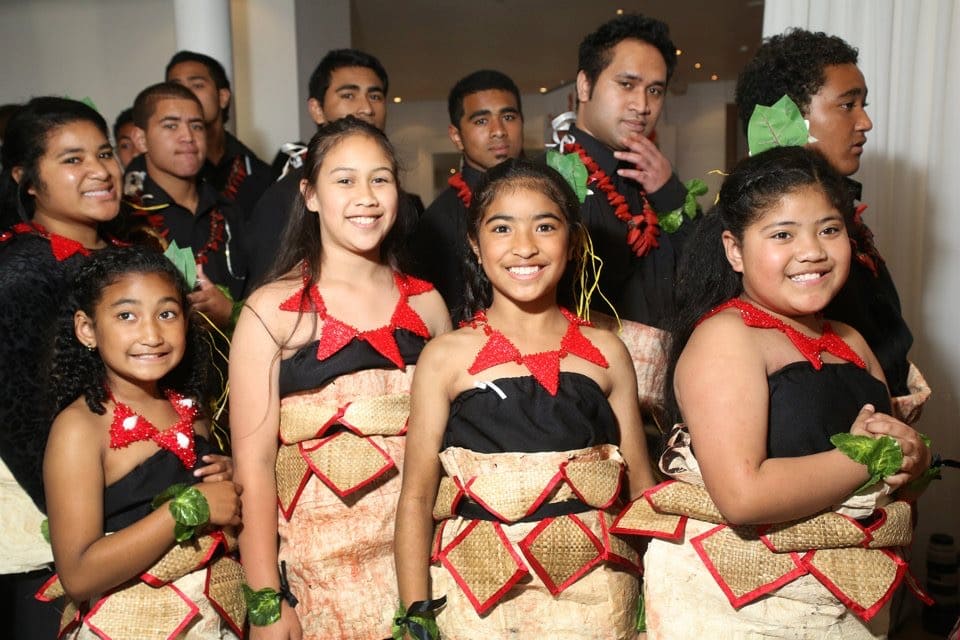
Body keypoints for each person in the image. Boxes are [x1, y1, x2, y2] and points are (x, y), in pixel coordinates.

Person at [624, 147, 932, 638]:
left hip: (850, 597)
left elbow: (891, 478)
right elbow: (742, 496)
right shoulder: (727, 337)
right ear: (734, 250)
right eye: (783, 234)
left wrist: (912, 461)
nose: (812, 251)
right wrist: (867, 457)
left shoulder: (851, 340)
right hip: (750, 606)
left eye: (829, 230)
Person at [395, 159, 655, 639]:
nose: (524, 246)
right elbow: (416, 497)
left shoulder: (607, 351)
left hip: (598, 602)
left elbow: (639, 488)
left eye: (545, 226)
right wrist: (415, 615)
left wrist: (653, 604)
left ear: (572, 242)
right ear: (475, 244)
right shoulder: (445, 357)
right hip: (479, 606)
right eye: (502, 228)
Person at [230, 116, 450, 639]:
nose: (366, 197)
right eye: (345, 180)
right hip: (319, 575)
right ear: (310, 195)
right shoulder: (270, 311)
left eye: (380, 179)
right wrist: (266, 602)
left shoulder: (428, 304)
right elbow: (253, 467)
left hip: (426, 564)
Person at [41, 247, 244, 638]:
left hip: (212, 619)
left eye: (166, 314)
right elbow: (79, 575)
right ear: (87, 329)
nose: (152, 335)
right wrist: (188, 509)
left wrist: (230, 477)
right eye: (126, 316)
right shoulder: (80, 429)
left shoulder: (190, 407)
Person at [735, 28, 916, 401]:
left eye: (863, 104)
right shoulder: (751, 229)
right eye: (848, 105)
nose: (865, 122)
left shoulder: (843, 212)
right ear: (788, 117)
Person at [0, 97, 125, 638]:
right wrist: (102, 515)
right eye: (72, 160)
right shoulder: (22, 274)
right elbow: (21, 420)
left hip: (134, 509)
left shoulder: (125, 257)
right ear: (26, 179)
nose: (99, 170)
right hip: (56, 533)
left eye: (105, 153)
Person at [556, 13, 700, 328]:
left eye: (655, 91)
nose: (642, 105)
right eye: (627, 84)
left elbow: (704, 275)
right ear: (585, 85)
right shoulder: (548, 182)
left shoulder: (658, 178)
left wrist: (669, 194)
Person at [244, 48, 423, 295]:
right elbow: (265, 288)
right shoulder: (284, 196)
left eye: (375, 96)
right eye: (348, 95)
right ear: (317, 109)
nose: (366, 108)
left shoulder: (401, 201)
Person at [124, 81, 248, 331]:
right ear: (141, 138)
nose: (188, 137)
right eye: (171, 126)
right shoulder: (127, 220)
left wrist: (232, 313)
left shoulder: (229, 212)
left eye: (196, 126)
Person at [410, 69, 524, 320]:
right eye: (481, 121)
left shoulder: (550, 197)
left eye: (508, 117)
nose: (499, 130)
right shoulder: (438, 222)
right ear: (456, 136)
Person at [166, 50, 272, 215]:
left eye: (197, 85)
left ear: (222, 97)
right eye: (176, 87)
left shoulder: (258, 173)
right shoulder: (157, 170)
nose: (186, 94)